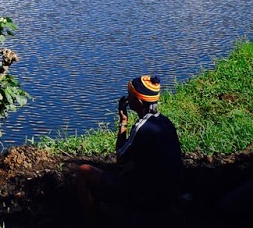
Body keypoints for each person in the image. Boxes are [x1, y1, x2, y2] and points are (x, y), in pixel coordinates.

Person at [75, 74, 184, 224]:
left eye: (130, 95)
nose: (127, 98)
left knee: (83, 171)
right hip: (171, 191)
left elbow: (120, 157)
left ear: (139, 101)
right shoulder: (165, 122)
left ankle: (95, 221)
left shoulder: (142, 127)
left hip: (148, 196)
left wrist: (123, 122)